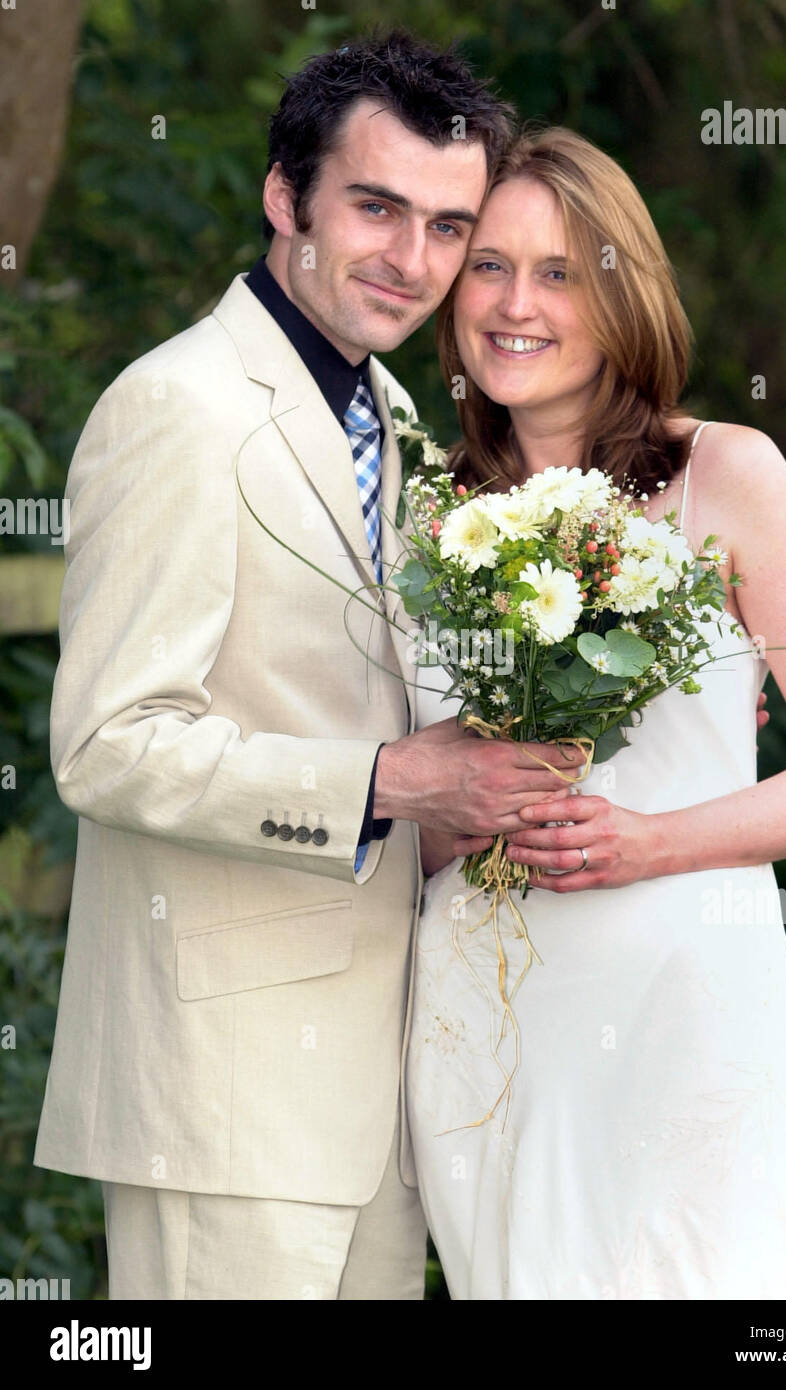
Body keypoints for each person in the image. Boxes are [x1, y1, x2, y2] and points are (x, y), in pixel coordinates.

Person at [32, 29, 583, 1302]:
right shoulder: (179, 407)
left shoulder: (388, 419)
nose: (413, 260)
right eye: (376, 208)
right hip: (223, 1092)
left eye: (448, 227)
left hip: (374, 1102)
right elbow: (107, 744)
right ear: (286, 197)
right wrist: (385, 779)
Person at [405, 127, 786, 1300]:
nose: (513, 304)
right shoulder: (425, 515)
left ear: (621, 292)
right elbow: (413, 819)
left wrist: (648, 842)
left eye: (558, 272)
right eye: (487, 265)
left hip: (683, 1029)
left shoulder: (722, 473)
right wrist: (462, 805)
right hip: (487, 1043)